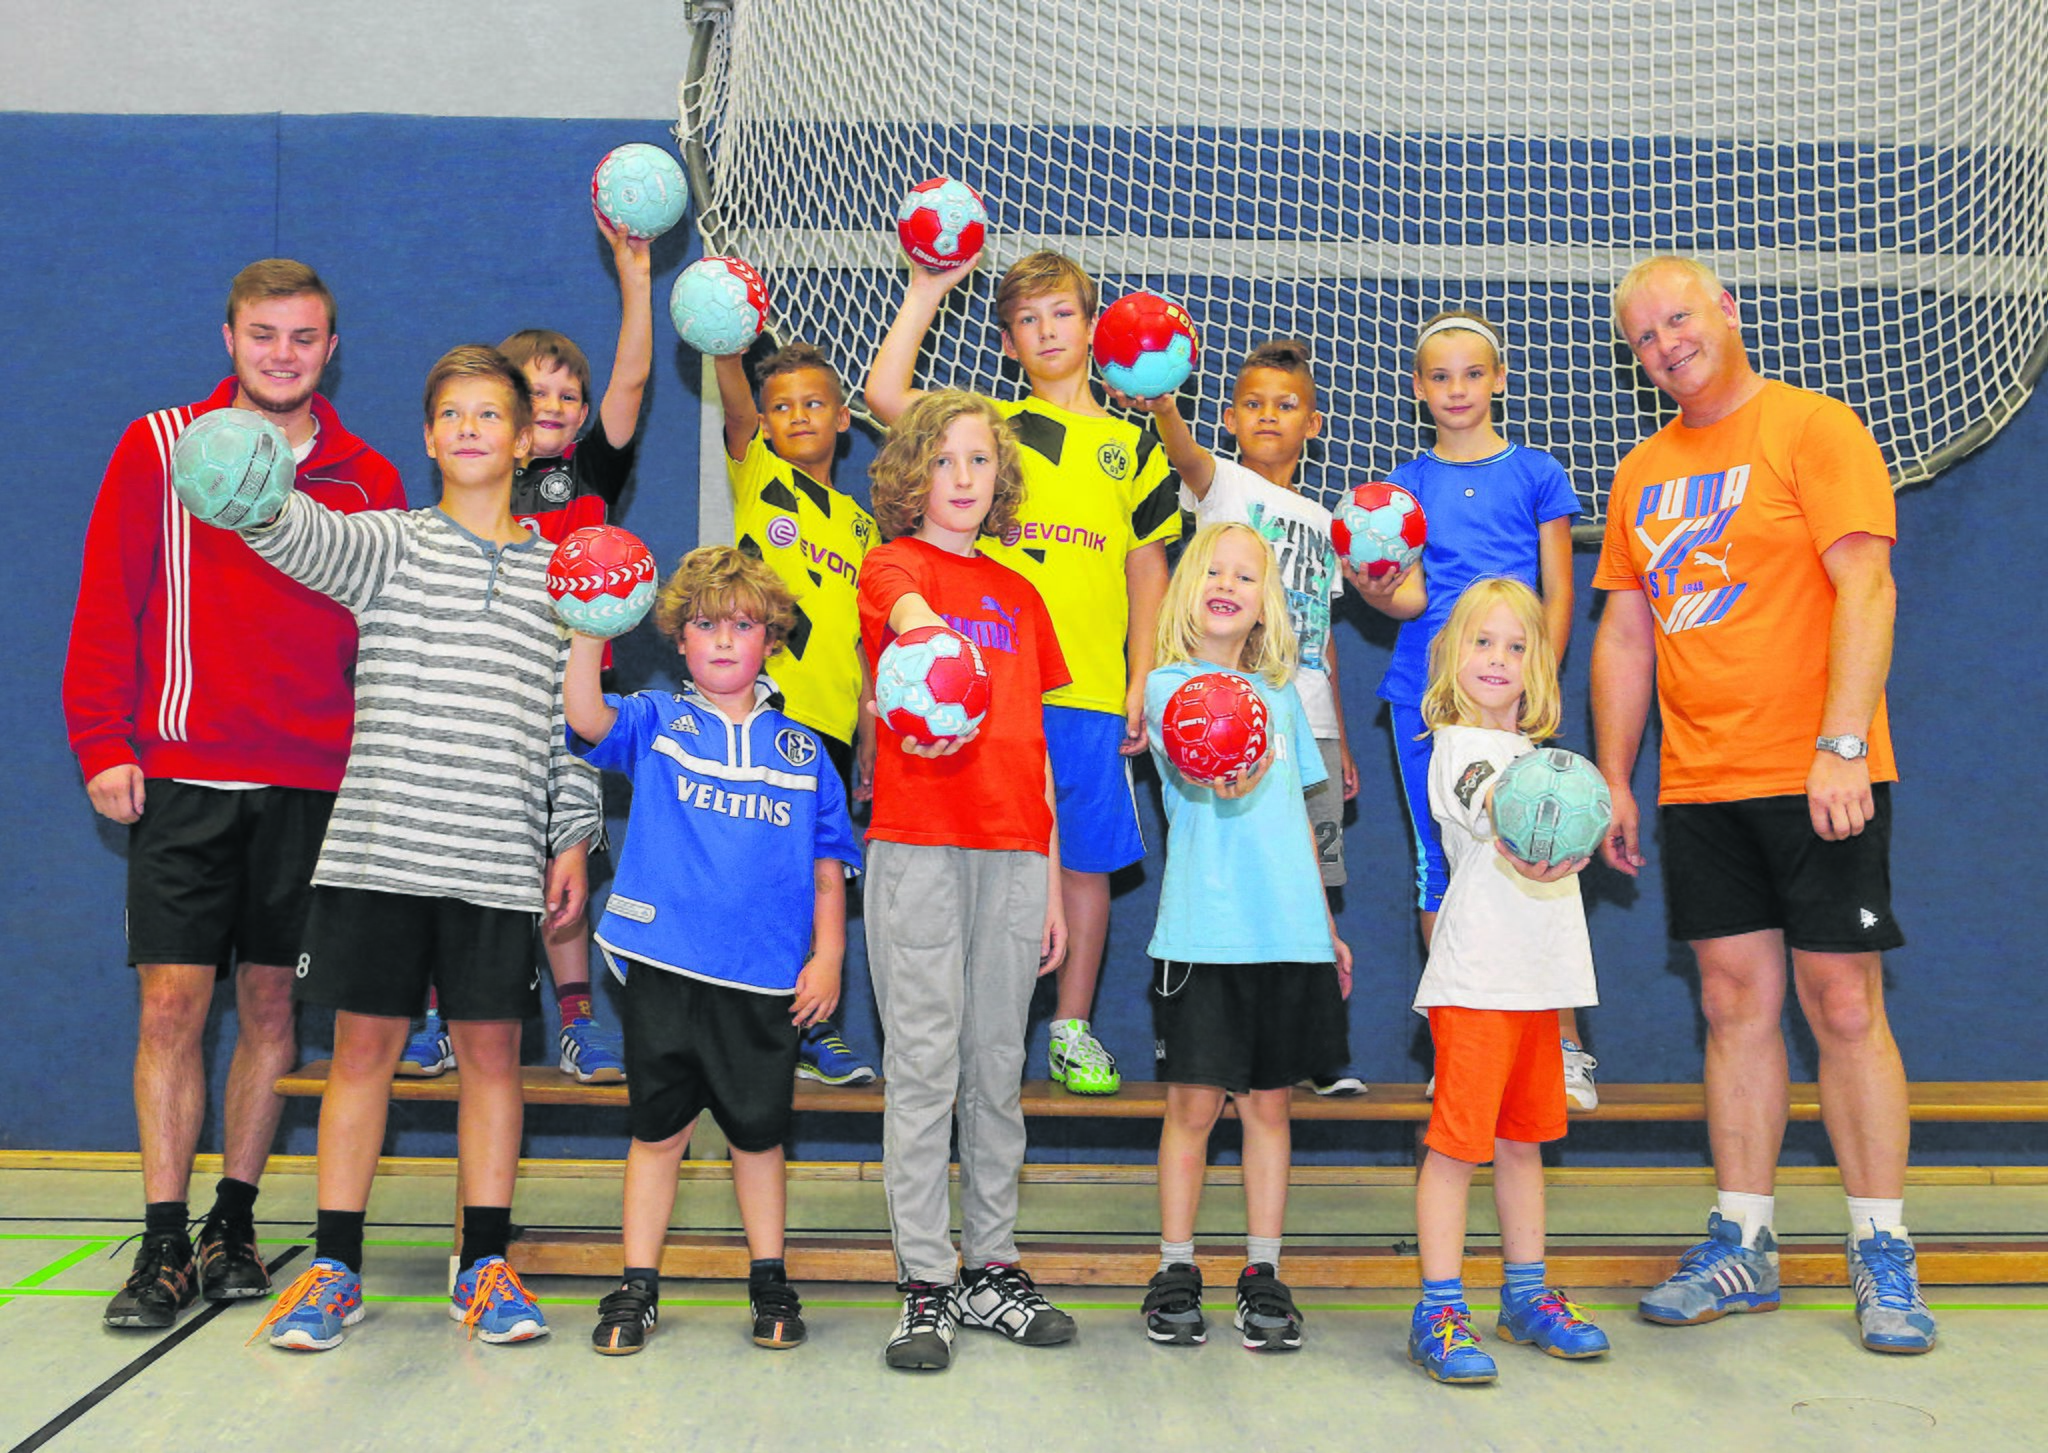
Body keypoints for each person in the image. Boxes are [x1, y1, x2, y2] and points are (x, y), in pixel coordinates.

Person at [1592, 256, 1929, 1354]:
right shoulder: (1641, 472)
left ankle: (1881, 1249)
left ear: (1726, 309)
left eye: (1677, 319)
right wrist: (1614, 774)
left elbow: (1866, 583)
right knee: (1732, 1005)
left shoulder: (1813, 427)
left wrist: (1841, 745)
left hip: (1820, 774)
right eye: (1643, 337)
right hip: (1702, 784)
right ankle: (1741, 1240)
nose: (1665, 345)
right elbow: (1626, 634)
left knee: (1844, 1006)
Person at [236, 346, 602, 1351]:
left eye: (490, 413)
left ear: (526, 441)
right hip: (379, 859)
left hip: (494, 864)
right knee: (362, 1053)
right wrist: (247, 484)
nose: (470, 427)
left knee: (492, 1059)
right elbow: (294, 530)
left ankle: (482, 1265)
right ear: (430, 438)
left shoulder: (563, 579)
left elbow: (567, 727)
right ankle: (334, 1269)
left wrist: (571, 836)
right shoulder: (388, 544)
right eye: (451, 414)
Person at [63, 259, 405, 1331]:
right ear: (228, 339)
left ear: (331, 349)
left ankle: (234, 1223)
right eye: (264, 334)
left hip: (313, 783)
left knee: (269, 1009)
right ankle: (164, 1240)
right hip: (183, 774)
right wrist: (101, 740)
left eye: (303, 337)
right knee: (170, 1003)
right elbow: (107, 600)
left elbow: (387, 640)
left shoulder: (368, 478)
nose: (282, 355)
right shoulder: (160, 446)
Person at [866, 249, 1184, 1095]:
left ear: (1094, 326)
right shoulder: (989, 429)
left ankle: (1072, 1025)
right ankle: (975, 1017)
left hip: (1088, 690)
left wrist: (1141, 678)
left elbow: (1147, 569)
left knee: (1082, 859)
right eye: (1027, 320)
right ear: (1007, 342)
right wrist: (927, 289)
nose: (1047, 332)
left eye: (1062, 314)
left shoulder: (1133, 445)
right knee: (987, 854)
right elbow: (885, 394)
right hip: (985, 692)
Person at [570, 546, 860, 1355]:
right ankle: (637, 1284)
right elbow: (587, 718)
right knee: (657, 1132)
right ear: (678, 638)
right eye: (705, 625)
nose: (724, 639)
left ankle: (769, 1279)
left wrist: (828, 956)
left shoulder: (805, 752)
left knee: (757, 1137)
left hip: (765, 979)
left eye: (742, 625)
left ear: (771, 638)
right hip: (664, 966)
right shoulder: (657, 722)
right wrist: (587, 629)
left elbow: (828, 870)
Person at [396, 213, 650, 1086]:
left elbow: (633, 375)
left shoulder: (591, 473)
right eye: (534, 392)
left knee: (564, 854)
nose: (554, 407)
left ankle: (576, 1020)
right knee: (459, 856)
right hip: (488, 692)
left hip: (569, 699)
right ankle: (437, 1018)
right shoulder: (480, 481)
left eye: (568, 396)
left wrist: (635, 275)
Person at [857, 390, 1075, 1371]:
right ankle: (923, 1280)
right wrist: (927, 637)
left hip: (1015, 851)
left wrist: (1054, 882)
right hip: (917, 844)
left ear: (1000, 479)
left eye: (979, 461)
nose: (961, 477)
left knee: (995, 1064)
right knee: (923, 1062)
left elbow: (1036, 751)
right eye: (942, 459)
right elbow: (903, 611)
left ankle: (989, 1265)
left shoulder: (1021, 595)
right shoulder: (891, 567)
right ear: (913, 472)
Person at [1107, 337, 1366, 1096]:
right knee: (1235, 856)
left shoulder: (1322, 520)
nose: (1268, 416)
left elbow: (1321, 632)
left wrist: (1341, 734)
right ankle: (1227, 1042)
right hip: (1226, 714)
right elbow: (1184, 457)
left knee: (1312, 868)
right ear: (1228, 418)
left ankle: (1304, 1041)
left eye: (1286, 405)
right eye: (1252, 404)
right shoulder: (1223, 488)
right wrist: (1166, 409)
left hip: (1304, 715)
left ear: (1313, 424)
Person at [1352, 309, 1596, 1109]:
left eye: (1472, 373)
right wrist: (1375, 586)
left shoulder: (1537, 473)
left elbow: (1557, 592)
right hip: (1424, 700)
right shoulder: (1405, 486)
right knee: (1443, 866)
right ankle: (1461, 1047)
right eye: (1440, 376)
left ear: (1498, 379)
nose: (1457, 389)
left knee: (1538, 859)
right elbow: (1410, 597)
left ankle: (1560, 1046)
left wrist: (1535, 686)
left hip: (1510, 700)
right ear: (1419, 388)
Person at [1139, 522, 1352, 1352]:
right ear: (1186, 590)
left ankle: (1264, 1270)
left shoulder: (1285, 696)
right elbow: (1199, 765)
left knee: (1270, 1105)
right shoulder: (1167, 688)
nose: (1227, 584)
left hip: (1289, 935)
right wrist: (1222, 772)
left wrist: (1326, 928)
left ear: (1268, 604)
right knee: (1193, 1106)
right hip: (1205, 933)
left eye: (1246, 575)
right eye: (1212, 571)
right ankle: (1175, 1267)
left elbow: (1300, 817)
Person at [1405, 578, 1608, 1385]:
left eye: (1516, 646)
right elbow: (1500, 808)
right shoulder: (1458, 747)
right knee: (1457, 1148)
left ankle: (1525, 1293)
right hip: (1477, 984)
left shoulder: (1537, 757)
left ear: (1539, 666)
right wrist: (1552, 812)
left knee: (1524, 1144)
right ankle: (1438, 1308)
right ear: (1452, 655)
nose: (1497, 658)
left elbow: (1549, 809)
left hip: (1536, 988)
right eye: (1482, 642)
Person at [711, 339, 879, 1086]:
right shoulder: (760, 474)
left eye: (814, 403)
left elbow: (865, 643)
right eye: (781, 407)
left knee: (819, 874)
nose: (798, 415)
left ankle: (815, 1024)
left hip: (833, 728)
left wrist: (870, 731)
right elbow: (736, 408)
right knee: (753, 867)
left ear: (843, 418)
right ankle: (740, 1014)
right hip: (764, 713)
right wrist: (727, 352)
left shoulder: (864, 528)